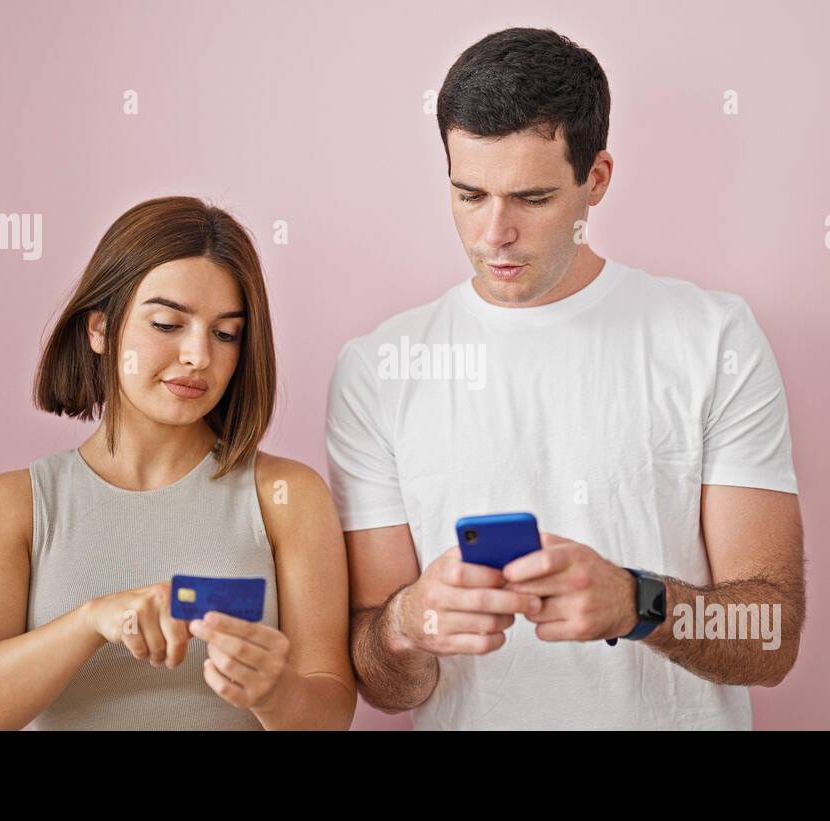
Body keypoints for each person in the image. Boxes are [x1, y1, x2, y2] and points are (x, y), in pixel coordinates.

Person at [327, 28, 805, 730]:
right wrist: (406, 624)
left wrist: (638, 604)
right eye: (469, 195)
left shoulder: (713, 339)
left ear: (597, 180)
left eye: (532, 198)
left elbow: (772, 637)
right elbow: (384, 681)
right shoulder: (377, 369)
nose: (495, 233)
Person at [0, 196, 356, 730]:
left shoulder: (287, 495)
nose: (199, 355)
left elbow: (330, 714)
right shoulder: (10, 506)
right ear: (100, 329)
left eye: (225, 334)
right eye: (168, 324)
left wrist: (275, 692)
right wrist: (90, 622)